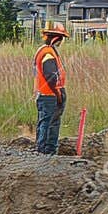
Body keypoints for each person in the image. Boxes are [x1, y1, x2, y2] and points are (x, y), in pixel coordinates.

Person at [34, 23, 68, 155]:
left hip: (45, 94)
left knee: (45, 122)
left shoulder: (44, 51)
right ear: (56, 38)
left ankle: (42, 152)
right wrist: (58, 94)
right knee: (49, 125)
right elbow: (51, 76)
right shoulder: (48, 53)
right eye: (61, 38)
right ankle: (47, 153)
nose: (61, 42)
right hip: (50, 95)